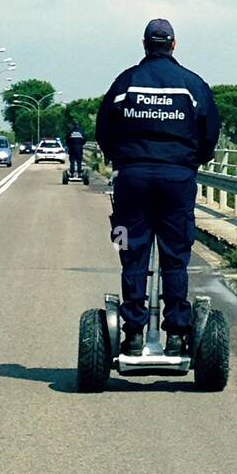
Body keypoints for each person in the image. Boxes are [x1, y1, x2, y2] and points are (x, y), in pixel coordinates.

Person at [95, 19, 220, 357]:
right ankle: (177, 333)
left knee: (132, 251)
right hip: (177, 180)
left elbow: (104, 128)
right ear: (174, 45)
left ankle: (133, 333)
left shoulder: (126, 83)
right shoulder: (192, 85)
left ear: (145, 44)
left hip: (131, 180)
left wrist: (118, 158)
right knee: (175, 255)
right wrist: (192, 162)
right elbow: (210, 133)